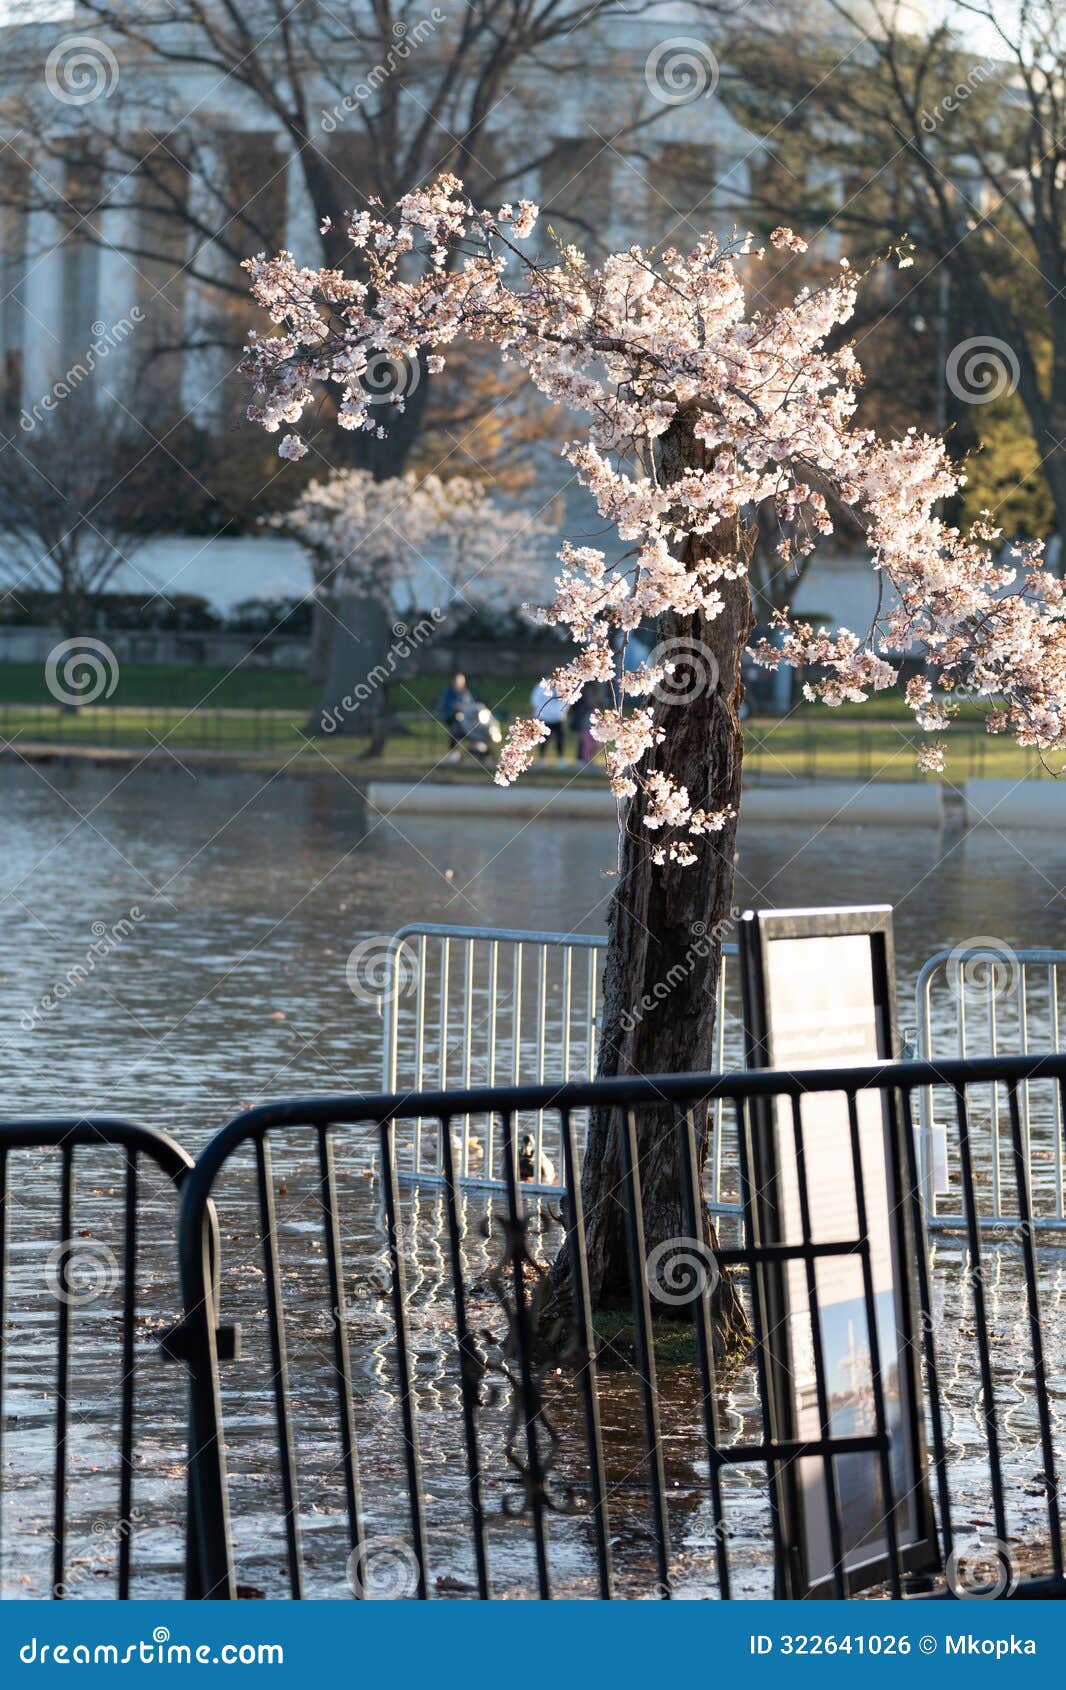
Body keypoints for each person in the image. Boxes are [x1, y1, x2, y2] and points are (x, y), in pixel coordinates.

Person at [438, 671, 477, 762]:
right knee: (455, 729)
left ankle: (479, 748)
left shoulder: (466, 693)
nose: (459, 683)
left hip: (467, 719)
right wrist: (455, 710)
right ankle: (454, 753)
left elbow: (472, 705)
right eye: (457, 681)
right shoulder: (448, 693)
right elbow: (445, 707)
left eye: (461, 681)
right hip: (451, 718)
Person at [531, 678, 569, 760]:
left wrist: (562, 711)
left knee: (560, 739)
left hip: (558, 717)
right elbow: (535, 700)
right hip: (544, 717)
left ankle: (560, 758)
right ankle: (541, 758)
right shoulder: (541, 686)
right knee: (543, 739)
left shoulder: (562, 686)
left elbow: (567, 701)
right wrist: (543, 711)